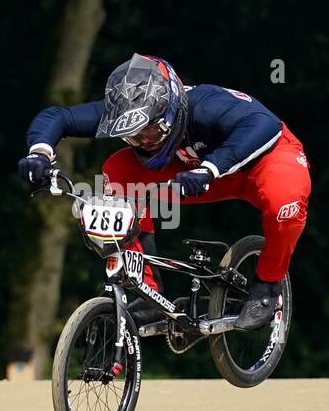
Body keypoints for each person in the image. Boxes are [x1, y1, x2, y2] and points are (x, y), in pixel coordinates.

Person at [18, 53, 310, 329]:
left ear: (171, 112)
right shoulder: (128, 110)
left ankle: (268, 284)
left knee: (284, 203)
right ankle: (146, 290)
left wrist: (210, 169)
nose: (145, 141)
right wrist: (39, 153)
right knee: (118, 169)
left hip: (264, 158)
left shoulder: (205, 105)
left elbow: (265, 124)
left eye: (152, 131)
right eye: (132, 135)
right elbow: (59, 116)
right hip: (193, 171)